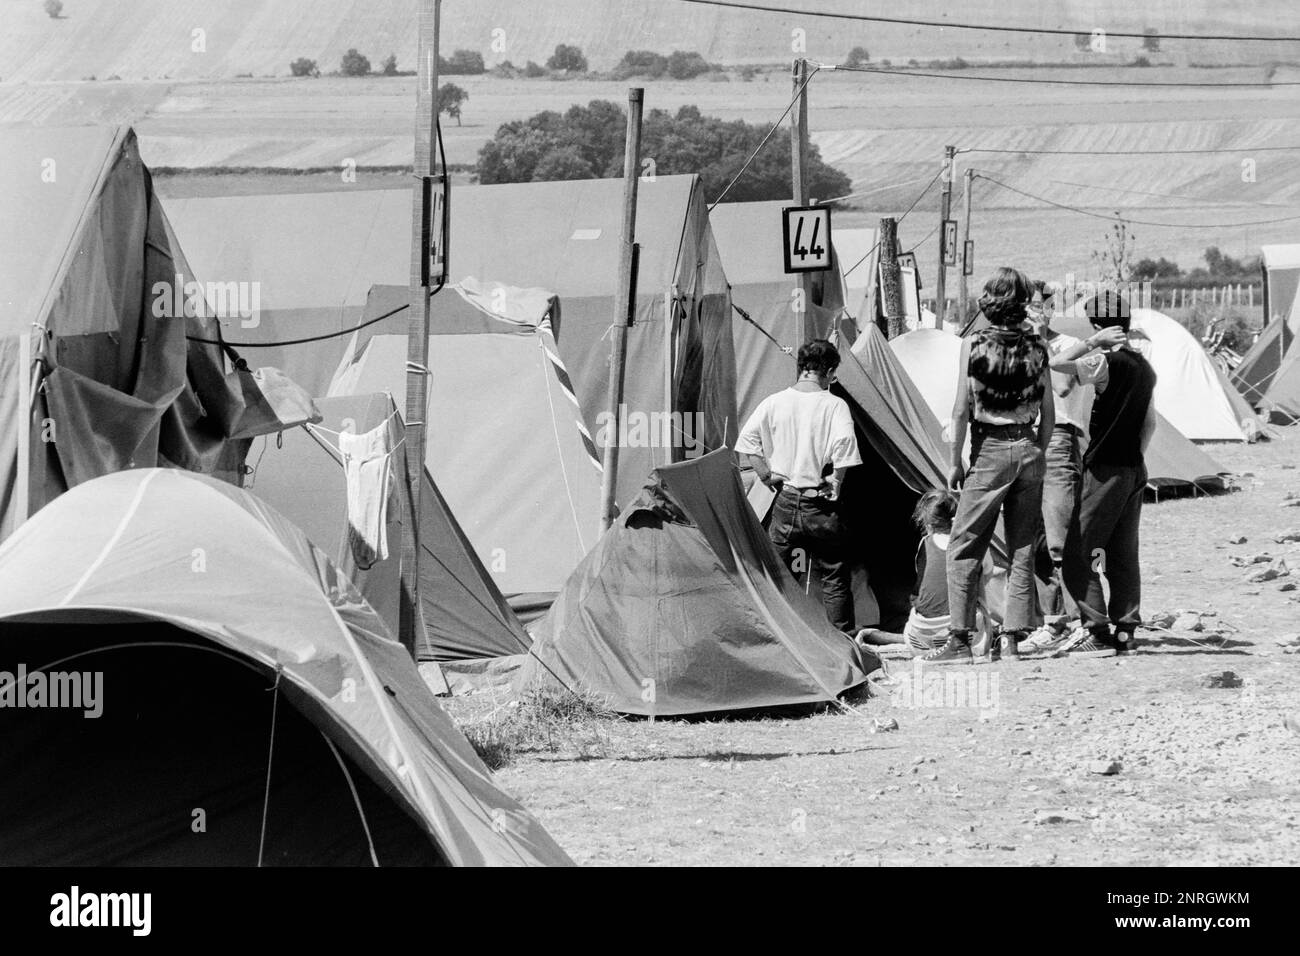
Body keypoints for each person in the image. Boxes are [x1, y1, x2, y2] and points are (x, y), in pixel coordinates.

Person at [925, 267, 1053, 665]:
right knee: (1021, 547)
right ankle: (1013, 638)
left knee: (963, 546)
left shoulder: (974, 344)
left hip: (990, 449)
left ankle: (960, 640)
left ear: (989, 303)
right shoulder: (1038, 345)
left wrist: (954, 463)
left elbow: (961, 410)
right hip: (1029, 447)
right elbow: (1048, 414)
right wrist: (1036, 450)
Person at [1020, 281, 1126, 655]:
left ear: (1050, 308)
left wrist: (1079, 343)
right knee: (1033, 541)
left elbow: (1063, 385)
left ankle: (1091, 623)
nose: (1035, 312)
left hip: (1058, 441)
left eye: (1041, 306)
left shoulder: (1066, 346)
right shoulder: (1014, 347)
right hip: (1021, 441)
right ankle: (1054, 621)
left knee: (1061, 538)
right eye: (1029, 306)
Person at [1057, 291, 1158, 657]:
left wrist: (1090, 343)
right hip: (1134, 467)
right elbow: (1151, 424)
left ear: (1100, 326)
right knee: (1122, 553)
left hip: (1106, 469)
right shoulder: (1145, 368)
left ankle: (1096, 630)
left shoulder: (1105, 363)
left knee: (1079, 553)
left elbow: (1057, 364)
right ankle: (1125, 630)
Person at [737, 339, 862, 633]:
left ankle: (782, 639)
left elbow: (747, 442)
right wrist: (837, 481)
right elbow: (844, 445)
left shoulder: (773, 402)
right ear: (829, 371)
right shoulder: (834, 405)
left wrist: (766, 476)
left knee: (780, 577)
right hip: (821, 503)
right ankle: (842, 646)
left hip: (786, 502)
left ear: (801, 368)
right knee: (833, 577)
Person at [856, 489, 997, 657]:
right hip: (970, 636)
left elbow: (922, 578)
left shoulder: (925, 543)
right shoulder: (974, 544)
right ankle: (974, 634)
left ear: (928, 523)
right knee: (976, 582)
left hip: (921, 636)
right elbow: (988, 573)